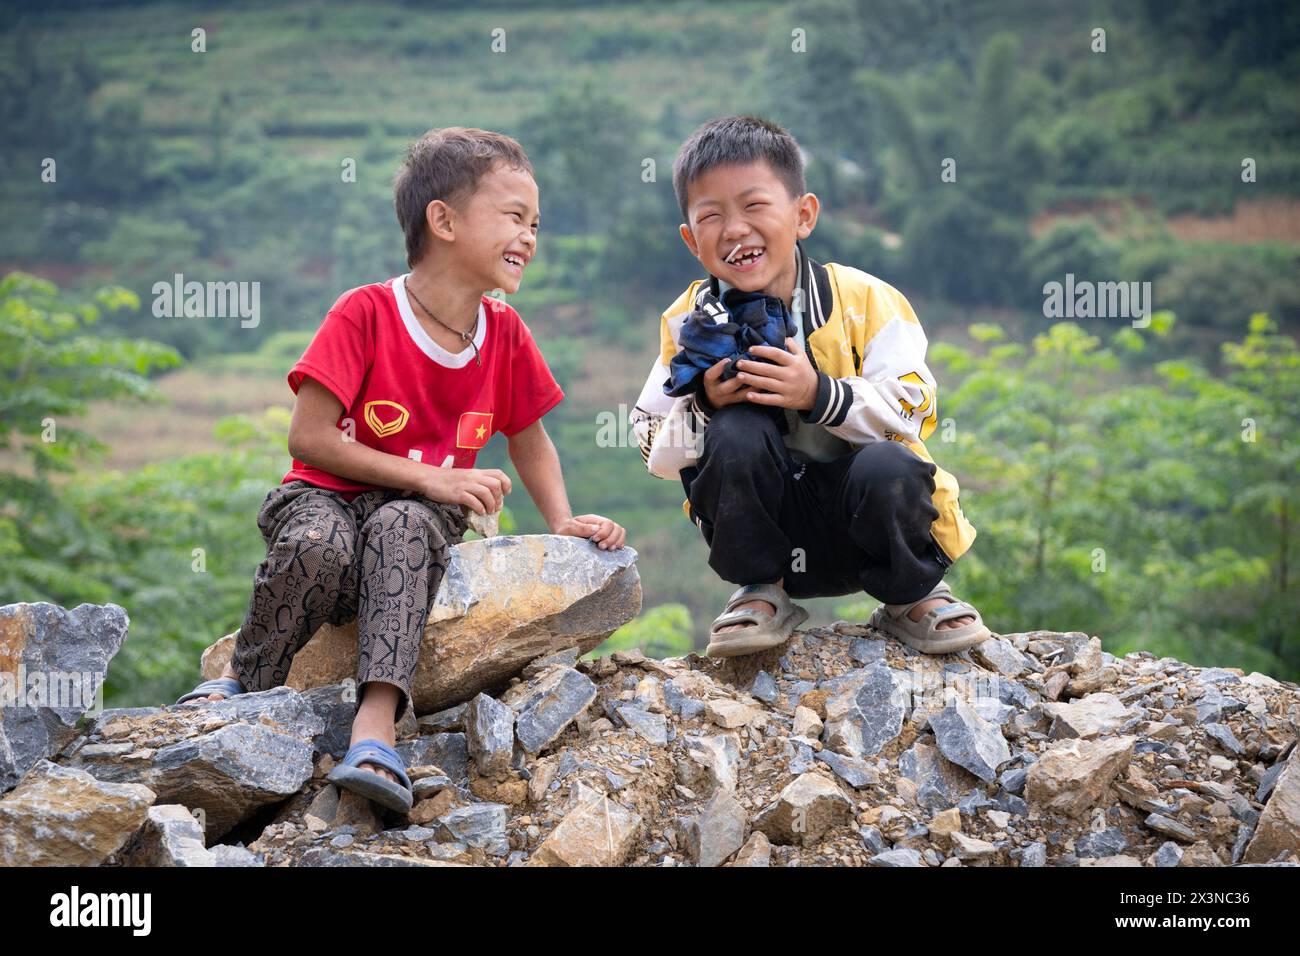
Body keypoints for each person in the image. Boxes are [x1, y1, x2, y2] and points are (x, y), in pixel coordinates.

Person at [175, 127, 626, 813]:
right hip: (325, 499)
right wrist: (432, 476)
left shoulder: (504, 333)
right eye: (513, 217)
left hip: (411, 526)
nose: (530, 237)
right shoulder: (365, 312)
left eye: (535, 223)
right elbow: (310, 436)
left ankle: (376, 730)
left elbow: (529, 438)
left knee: (406, 525)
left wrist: (562, 520)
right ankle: (246, 682)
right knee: (315, 544)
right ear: (441, 220)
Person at [629, 115, 986, 659]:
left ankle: (912, 594)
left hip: (867, 518)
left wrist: (819, 394)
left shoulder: (867, 300)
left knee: (889, 464)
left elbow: (914, 408)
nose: (734, 229)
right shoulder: (688, 323)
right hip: (769, 536)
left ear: (803, 215)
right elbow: (649, 443)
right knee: (736, 430)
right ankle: (759, 591)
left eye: (754, 206)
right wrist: (703, 403)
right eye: (711, 216)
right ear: (690, 239)